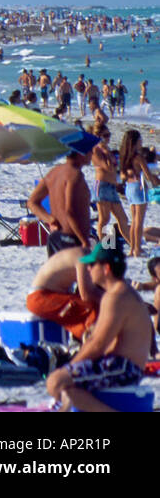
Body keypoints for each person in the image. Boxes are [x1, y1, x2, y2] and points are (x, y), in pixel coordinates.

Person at [47, 243, 153, 411]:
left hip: (124, 368)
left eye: (91, 265)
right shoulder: (119, 294)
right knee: (67, 389)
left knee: (56, 382)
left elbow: (98, 344)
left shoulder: (117, 297)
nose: (88, 269)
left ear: (106, 268)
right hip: (123, 365)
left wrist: (70, 367)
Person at [25, 245, 101, 340]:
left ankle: (85, 338)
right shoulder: (84, 258)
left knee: (89, 307)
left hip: (39, 297)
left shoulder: (80, 254)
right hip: (40, 297)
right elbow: (86, 294)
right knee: (92, 308)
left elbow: (84, 292)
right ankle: (92, 339)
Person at [27, 151, 93, 248]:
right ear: (81, 153)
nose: (92, 154)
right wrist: (84, 240)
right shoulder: (75, 175)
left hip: (55, 237)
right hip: (72, 237)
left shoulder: (54, 172)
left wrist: (50, 219)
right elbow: (70, 211)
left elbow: (32, 202)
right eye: (90, 151)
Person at [119, 128, 158, 258]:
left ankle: (132, 249)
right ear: (135, 142)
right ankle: (137, 249)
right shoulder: (138, 157)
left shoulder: (124, 156)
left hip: (129, 188)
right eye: (140, 139)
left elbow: (122, 175)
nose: (142, 141)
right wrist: (157, 182)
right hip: (139, 188)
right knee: (139, 222)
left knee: (134, 220)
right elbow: (148, 175)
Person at [90, 126, 129, 245]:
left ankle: (133, 245)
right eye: (105, 135)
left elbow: (114, 167)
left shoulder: (106, 149)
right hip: (102, 185)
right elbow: (107, 167)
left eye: (109, 135)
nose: (108, 138)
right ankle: (105, 245)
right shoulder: (96, 150)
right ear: (99, 136)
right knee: (104, 219)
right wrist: (106, 152)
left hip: (111, 186)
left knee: (123, 218)